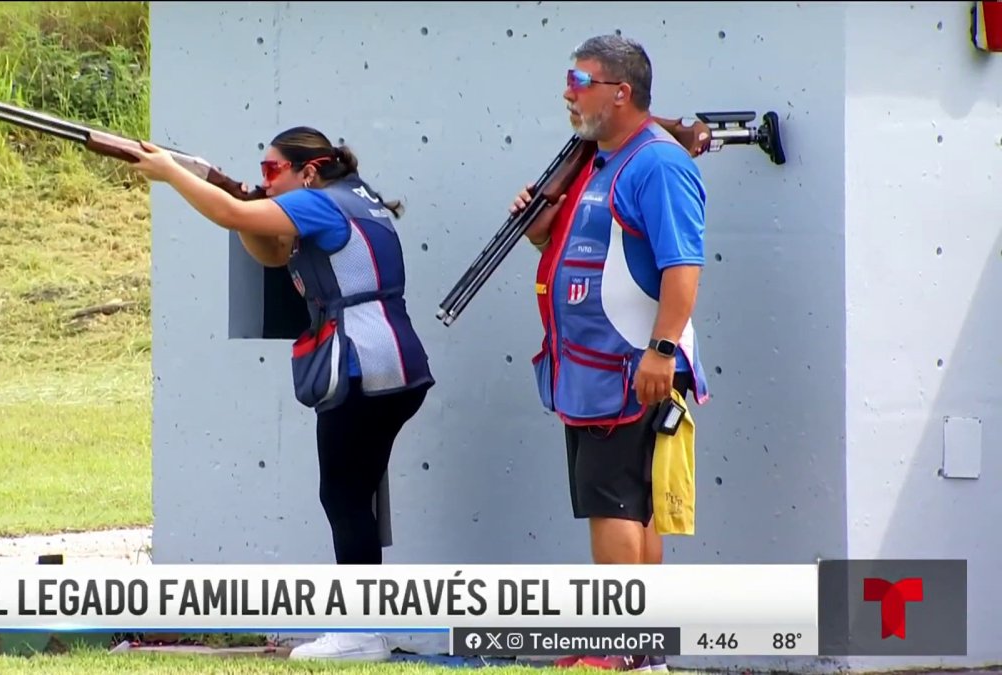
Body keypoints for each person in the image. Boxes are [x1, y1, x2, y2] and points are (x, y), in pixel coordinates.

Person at [128, 126, 435, 663]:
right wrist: (250, 197)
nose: (267, 180)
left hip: (362, 362)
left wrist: (172, 174)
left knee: (343, 497)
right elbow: (269, 253)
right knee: (352, 495)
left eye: (274, 171)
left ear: (308, 171)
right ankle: (371, 626)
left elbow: (232, 217)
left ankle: (360, 633)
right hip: (392, 360)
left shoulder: (319, 205)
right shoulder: (351, 197)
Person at [510, 35, 710, 671]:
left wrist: (659, 349)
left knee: (614, 505)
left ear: (620, 93)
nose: (569, 94)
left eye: (581, 81)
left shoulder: (657, 163)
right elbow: (576, 246)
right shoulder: (600, 161)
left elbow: (683, 267)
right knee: (632, 505)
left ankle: (617, 649)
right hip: (600, 367)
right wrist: (539, 222)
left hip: (629, 365)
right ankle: (640, 651)